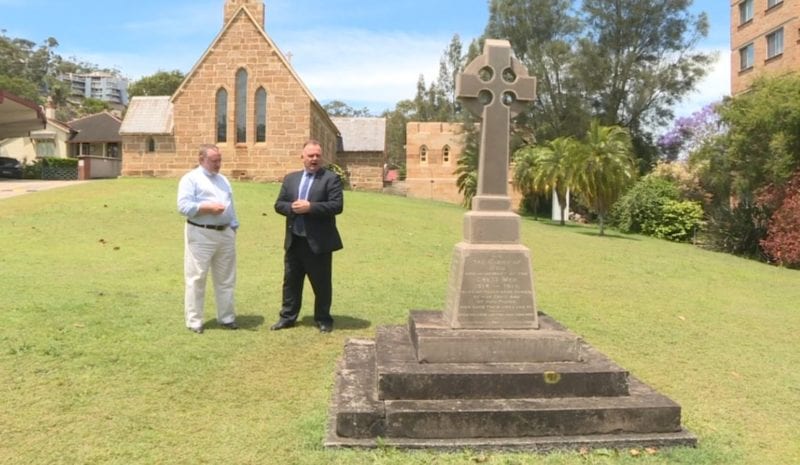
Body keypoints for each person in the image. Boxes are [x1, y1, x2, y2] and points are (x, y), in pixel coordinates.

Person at [271, 139, 343, 333]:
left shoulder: (331, 179)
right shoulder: (291, 179)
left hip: (318, 242)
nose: (314, 159)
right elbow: (279, 204)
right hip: (294, 240)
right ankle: (287, 318)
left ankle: (323, 319)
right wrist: (292, 208)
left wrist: (310, 207)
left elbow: (336, 206)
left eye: (318, 155)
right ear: (302, 157)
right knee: (291, 282)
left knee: (321, 283)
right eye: (310, 155)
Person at [177, 144, 240, 334]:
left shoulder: (223, 180)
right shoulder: (190, 179)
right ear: (201, 159)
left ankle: (227, 317)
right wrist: (207, 208)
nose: (218, 164)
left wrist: (233, 226)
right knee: (197, 277)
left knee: (226, 278)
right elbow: (183, 206)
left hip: (225, 233)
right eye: (214, 161)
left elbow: (231, 204)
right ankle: (194, 321)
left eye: (219, 160)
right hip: (201, 232)